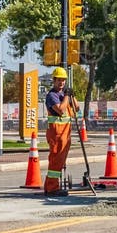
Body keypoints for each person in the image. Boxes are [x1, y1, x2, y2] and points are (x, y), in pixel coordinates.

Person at [44, 67, 78, 196]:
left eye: (63, 80)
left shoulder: (64, 95)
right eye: (59, 80)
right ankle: (52, 188)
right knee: (56, 161)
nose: (61, 83)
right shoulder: (52, 95)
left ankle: (49, 186)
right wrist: (67, 97)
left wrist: (72, 96)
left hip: (65, 133)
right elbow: (61, 110)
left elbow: (77, 108)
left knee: (58, 161)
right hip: (56, 134)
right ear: (54, 80)